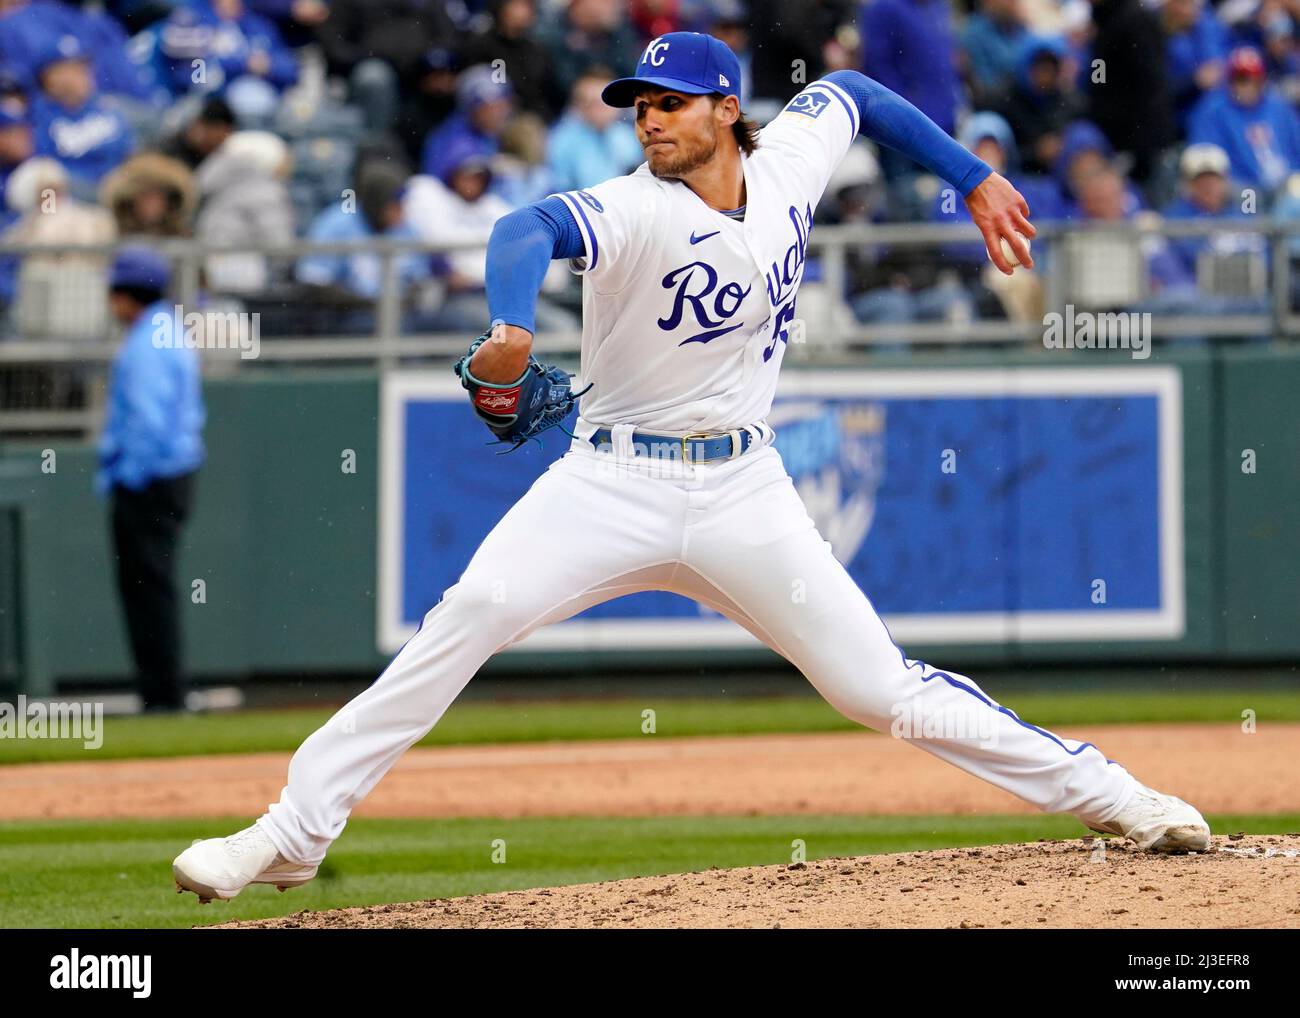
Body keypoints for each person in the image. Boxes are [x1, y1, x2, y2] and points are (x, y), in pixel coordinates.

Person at [173, 31, 1210, 903]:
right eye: (638, 107)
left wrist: (973, 174)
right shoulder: (634, 206)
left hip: (743, 491)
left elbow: (852, 92)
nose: (650, 121)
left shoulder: (794, 159)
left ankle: (1116, 796)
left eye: (670, 103)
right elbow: (523, 224)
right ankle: (292, 831)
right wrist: (509, 325)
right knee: (471, 610)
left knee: (877, 689)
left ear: (725, 108)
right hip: (609, 482)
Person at [98, 247, 205, 715]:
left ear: (125, 295)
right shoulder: (167, 330)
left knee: (147, 593)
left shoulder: (146, 342)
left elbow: (145, 422)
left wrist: (129, 478)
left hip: (150, 483)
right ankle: (164, 693)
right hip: (173, 475)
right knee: (153, 589)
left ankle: (163, 697)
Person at [1187, 46, 1300, 195]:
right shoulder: (1212, 110)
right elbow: (1207, 158)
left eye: (1254, 79)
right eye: (1241, 79)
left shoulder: (1279, 107)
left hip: (1284, 188)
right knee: (1248, 210)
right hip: (1242, 189)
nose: (1247, 85)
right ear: (1230, 80)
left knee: (1295, 202)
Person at [546, 67, 644, 193]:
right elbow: (558, 188)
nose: (598, 109)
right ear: (578, 104)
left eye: (604, 102)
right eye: (590, 102)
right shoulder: (562, 139)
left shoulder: (628, 136)